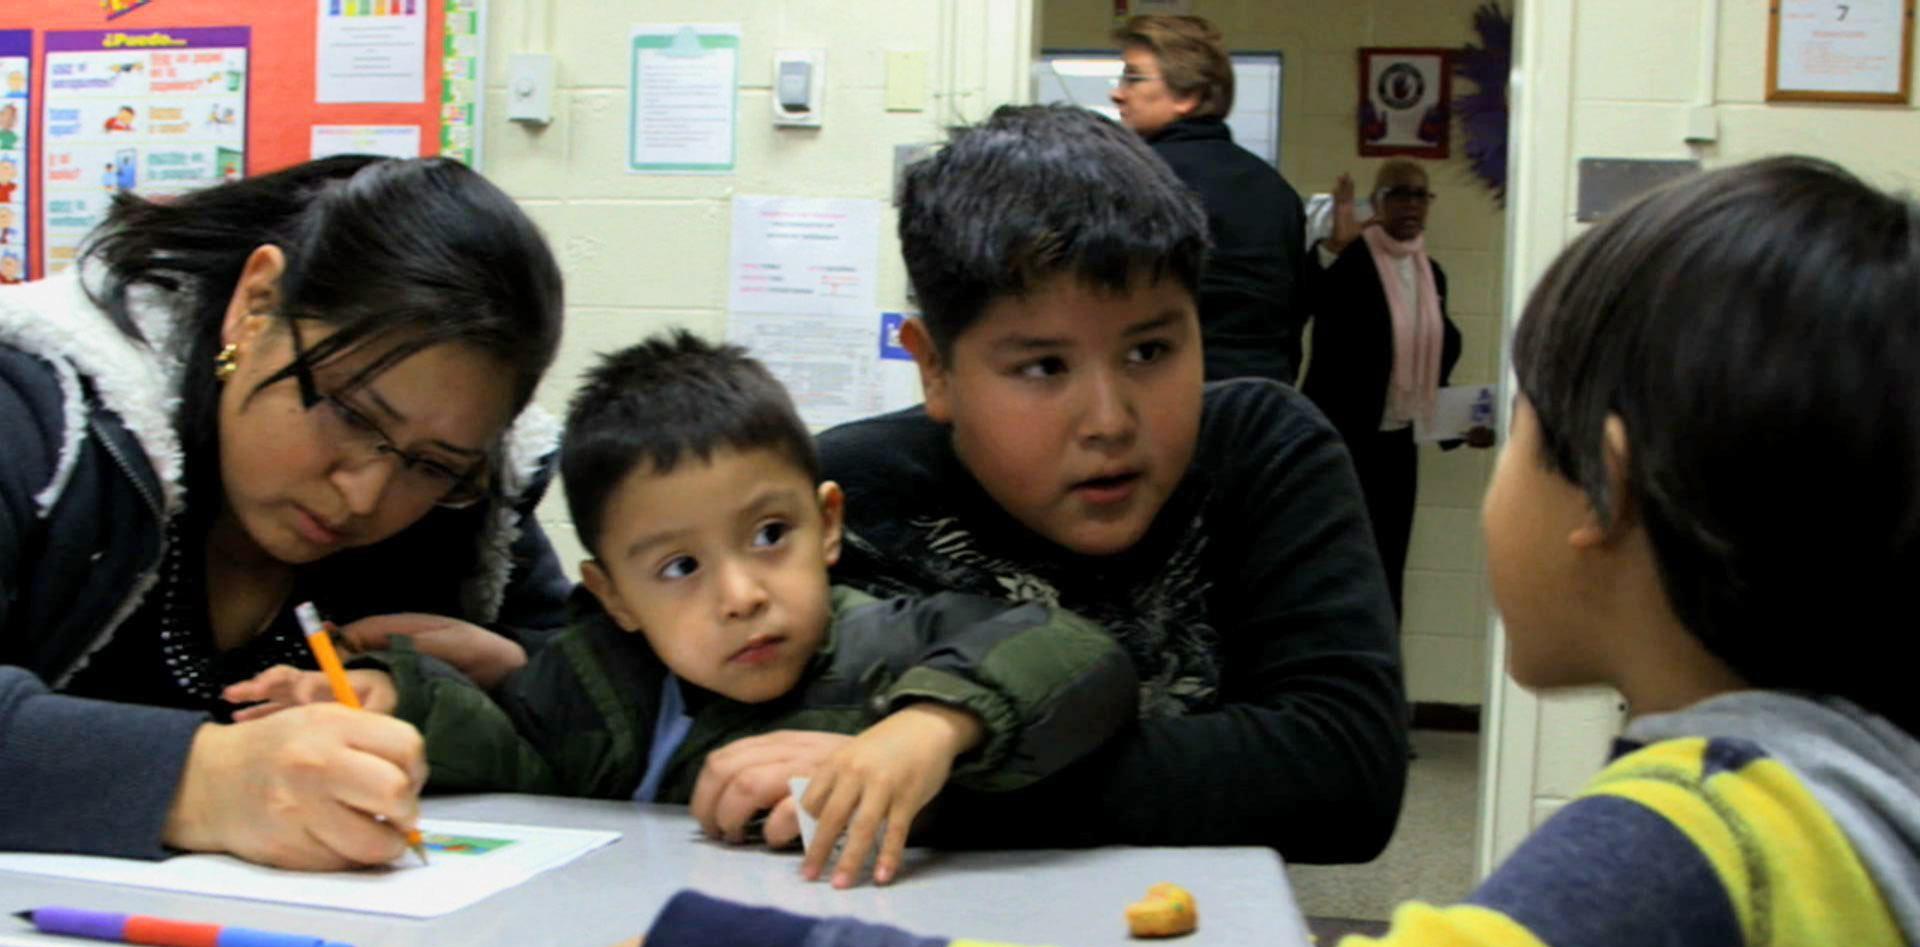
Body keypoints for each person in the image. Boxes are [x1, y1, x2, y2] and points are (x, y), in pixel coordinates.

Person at [402, 155, 1920, 947]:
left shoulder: (1691, 856)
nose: (1109, 418)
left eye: (1509, 423)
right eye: (1040, 366)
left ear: (1600, 488)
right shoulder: (1852, 796)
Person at [690, 104, 1406, 862]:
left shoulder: (1266, 451)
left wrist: (935, 781)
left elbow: (1345, 777)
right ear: (934, 367)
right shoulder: (841, 501)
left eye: (1151, 351)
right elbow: (735, 758)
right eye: (1042, 368)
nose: (1108, 421)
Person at [234, 330, 1139, 888]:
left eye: (770, 535)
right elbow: (511, 746)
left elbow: (1079, 654)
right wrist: (393, 697)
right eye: (678, 567)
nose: (741, 595)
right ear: (613, 598)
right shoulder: (600, 678)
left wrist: (927, 732)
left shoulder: (891, 644)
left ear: (828, 524)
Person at [0, 154, 570, 869]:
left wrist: (484, 683)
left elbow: (594, 689)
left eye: (430, 467)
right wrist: (203, 780)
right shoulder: (42, 416)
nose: (365, 496)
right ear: (257, 303)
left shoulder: (474, 487)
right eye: (349, 411)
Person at [1300, 159, 1479, 620]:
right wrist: (1333, 249)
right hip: (1343, 442)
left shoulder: (1432, 275)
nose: (1411, 204)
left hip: (1398, 446)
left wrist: (1462, 427)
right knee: (1336, 565)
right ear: (1377, 204)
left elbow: (1428, 368)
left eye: (1421, 195)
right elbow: (1310, 300)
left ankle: (1382, 683)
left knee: (1387, 568)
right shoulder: (1352, 264)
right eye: (1399, 193)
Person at [1110, 14, 1308, 384]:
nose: (1118, 92)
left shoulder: (1133, 180)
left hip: (1165, 399)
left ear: (1189, 95)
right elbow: (1295, 314)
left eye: (1133, 78)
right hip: (1263, 403)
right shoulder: (1277, 191)